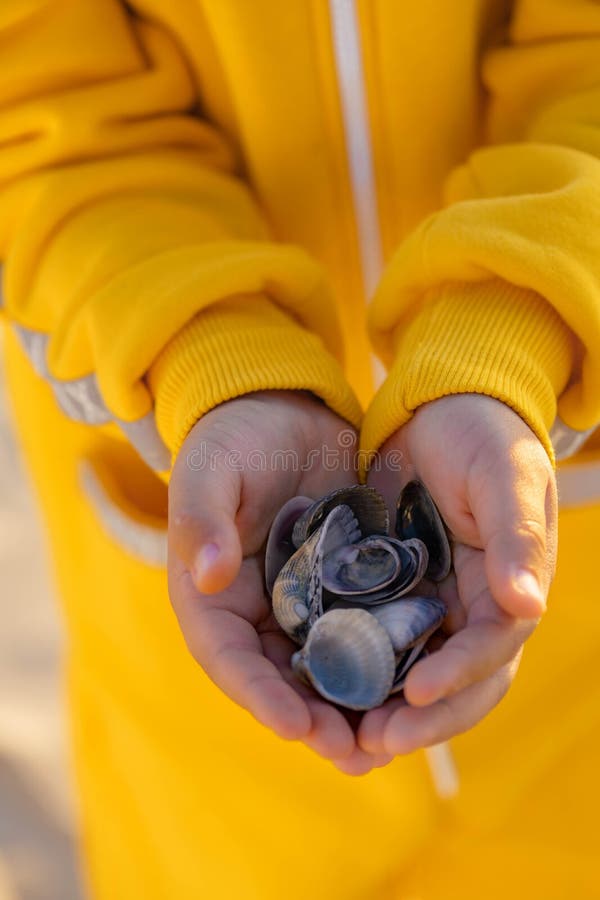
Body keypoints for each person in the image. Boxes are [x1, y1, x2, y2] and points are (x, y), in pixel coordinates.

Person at [1, 1, 599, 897]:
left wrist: (513, 331)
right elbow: (38, 109)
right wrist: (209, 354)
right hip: (206, 769)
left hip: (572, 713)